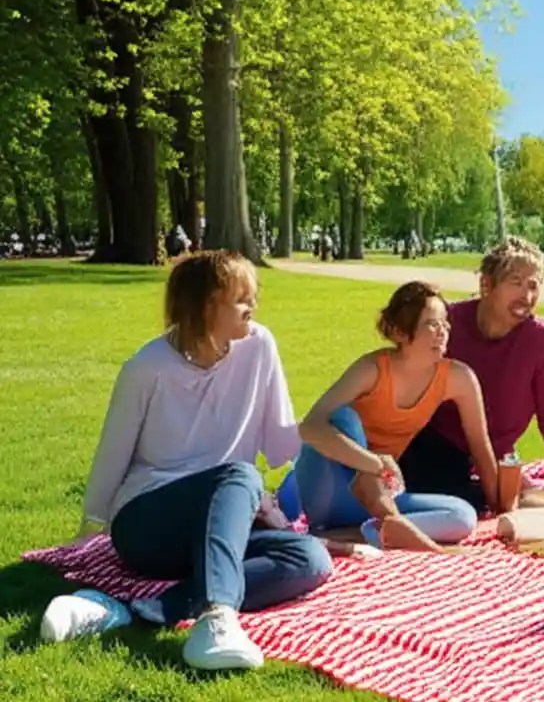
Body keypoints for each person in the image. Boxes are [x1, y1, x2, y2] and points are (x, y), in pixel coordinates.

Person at [41, 251, 331, 670]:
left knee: (308, 559)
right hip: (147, 524)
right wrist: (91, 526)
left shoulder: (259, 346)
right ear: (205, 305)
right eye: (241, 298)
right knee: (240, 475)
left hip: (221, 522)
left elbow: (282, 438)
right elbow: (113, 452)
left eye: (253, 296)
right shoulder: (146, 368)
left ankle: (128, 610)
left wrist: (334, 436)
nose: (253, 306)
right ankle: (218, 618)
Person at [294, 281, 502, 551]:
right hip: (328, 491)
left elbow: (480, 445)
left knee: (462, 516)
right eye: (432, 324)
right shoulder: (372, 369)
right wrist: (373, 464)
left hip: (378, 500)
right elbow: (310, 427)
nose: (442, 332)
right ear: (400, 331)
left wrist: (499, 507)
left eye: (445, 324)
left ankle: (367, 532)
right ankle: (379, 518)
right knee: (344, 418)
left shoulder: (457, 377)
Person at [404, 237, 544, 507]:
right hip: (429, 443)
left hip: (491, 457)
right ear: (486, 284)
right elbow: (405, 378)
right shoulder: (447, 325)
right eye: (516, 282)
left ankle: (503, 486)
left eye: (533, 285)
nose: (527, 296)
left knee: (467, 499)